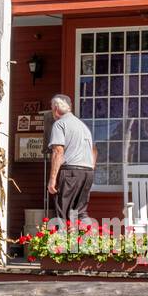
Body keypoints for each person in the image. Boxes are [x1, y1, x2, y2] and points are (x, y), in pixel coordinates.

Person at [47, 94, 95, 224]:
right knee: (81, 213)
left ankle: (62, 244)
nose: (52, 110)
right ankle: (88, 242)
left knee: (62, 214)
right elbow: (94, 151)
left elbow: (58, 151)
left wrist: (52, 180)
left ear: (56, 108)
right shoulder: (83, 126)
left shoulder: (60, 124)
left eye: (51, 107)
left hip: (70, 172)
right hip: (88, 172)